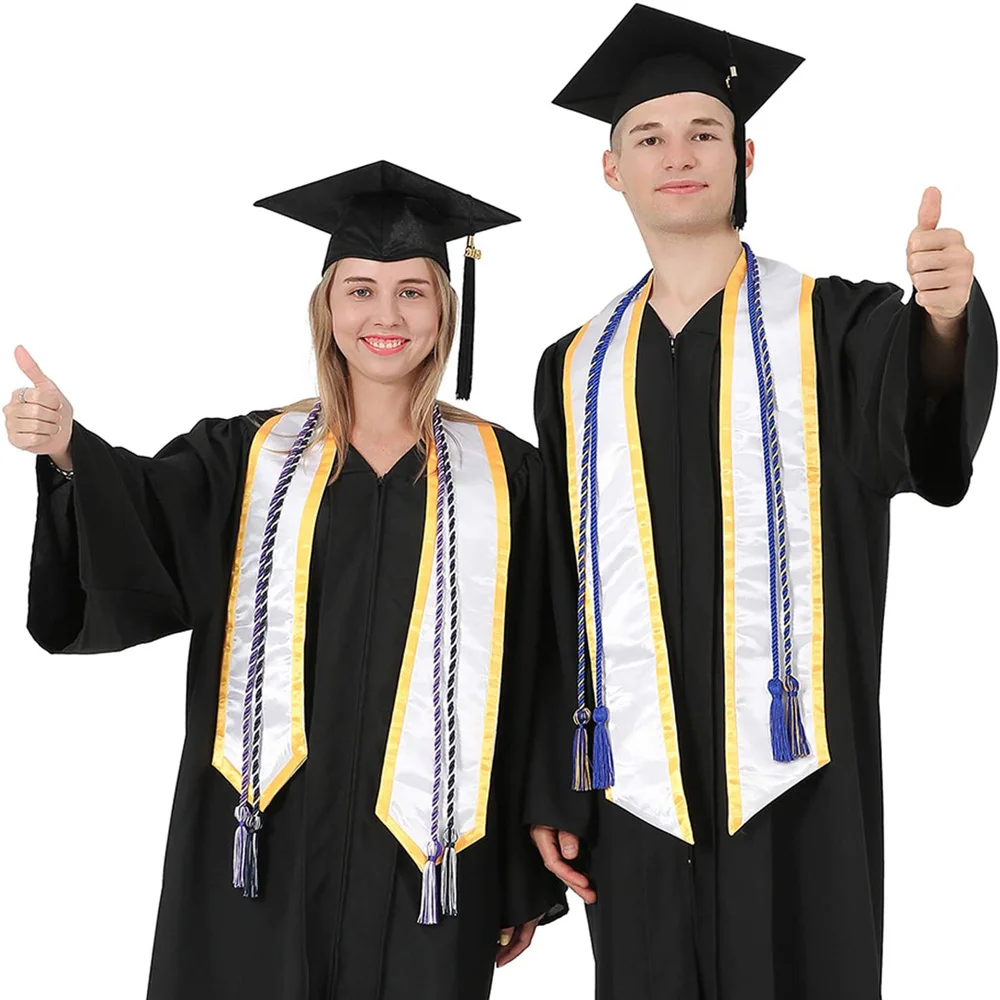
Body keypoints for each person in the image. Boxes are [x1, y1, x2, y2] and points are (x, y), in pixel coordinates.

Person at [525, 6, 997, 1000]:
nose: (678, 155)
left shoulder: (835, 325)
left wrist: (946, 319)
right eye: (648, 137)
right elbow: (558, 594)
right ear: (611, 169)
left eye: (704, 132)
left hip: (799, 784)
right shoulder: (572, 369)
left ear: (744, 155)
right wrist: (551, 783)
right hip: (633, 800)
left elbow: (922, 427)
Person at [7, 160, 564, 1000]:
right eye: (360, 290)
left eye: (412, 292)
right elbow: (142, 527)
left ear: (446, 310)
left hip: (428, 862)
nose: (386, 315)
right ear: (325, 308)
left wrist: (517, 869)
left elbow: (540, 673)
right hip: (260, 850)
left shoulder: (512, 477)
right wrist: (67, 451)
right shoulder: (247, 458)